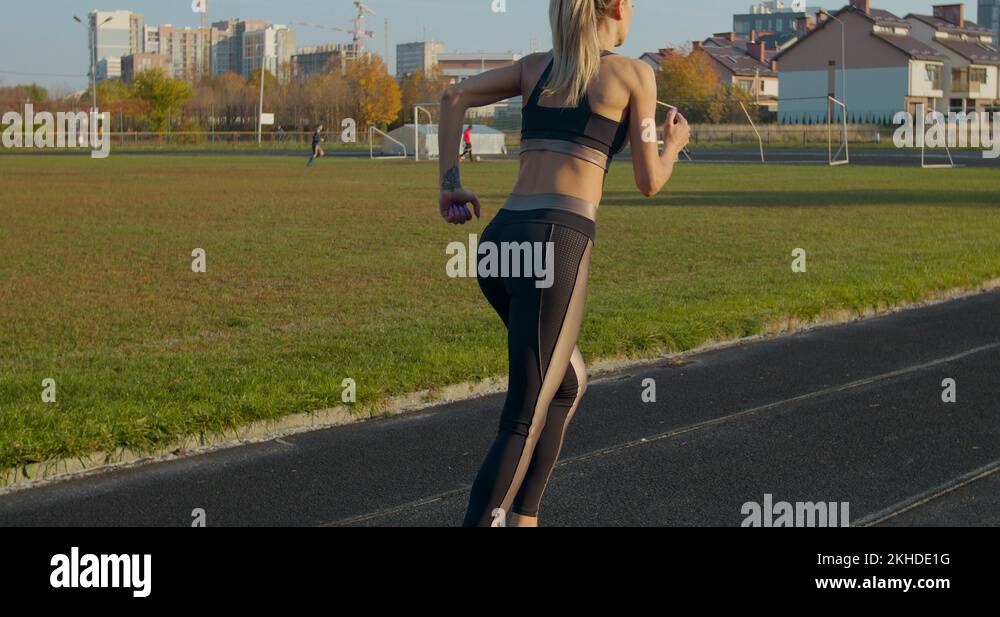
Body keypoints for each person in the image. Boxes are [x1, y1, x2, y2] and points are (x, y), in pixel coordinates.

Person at [437, 0, 690, 527]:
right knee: (523, 417)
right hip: (556, 243)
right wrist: (672, 145)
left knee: (568, 383)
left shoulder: (536, 67)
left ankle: (525, 518)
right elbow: (650, 181)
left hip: (502, 242)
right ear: (617, 7)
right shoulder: (634, 74)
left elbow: (453, 96)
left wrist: (450, 185)